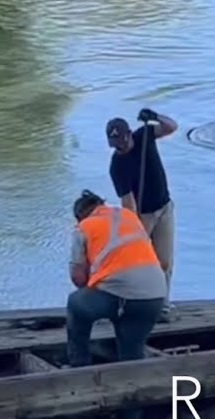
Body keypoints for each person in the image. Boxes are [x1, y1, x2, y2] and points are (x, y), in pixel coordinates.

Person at [67, 190, 167, 367]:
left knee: (76, 303)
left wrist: (92, 277)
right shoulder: (129, 216)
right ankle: (131, 378)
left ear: (80, 216)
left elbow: (78, 278)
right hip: (155, 296)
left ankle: (79, 364)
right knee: (132, 352)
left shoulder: (85, 227)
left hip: (119, 297)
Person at [107, 107, 178, 318]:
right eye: (116, 145)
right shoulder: (117, 166)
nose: (121, 148)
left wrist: (155, 117)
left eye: (123, 142)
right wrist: (135, 230)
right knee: (137, 263)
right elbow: (128, 202)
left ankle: (162, 306)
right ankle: (130, 304)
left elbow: (171, 127)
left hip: (164, 208)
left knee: (164, 261)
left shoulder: (145, 135)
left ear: (130, 134)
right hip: (143, 216)